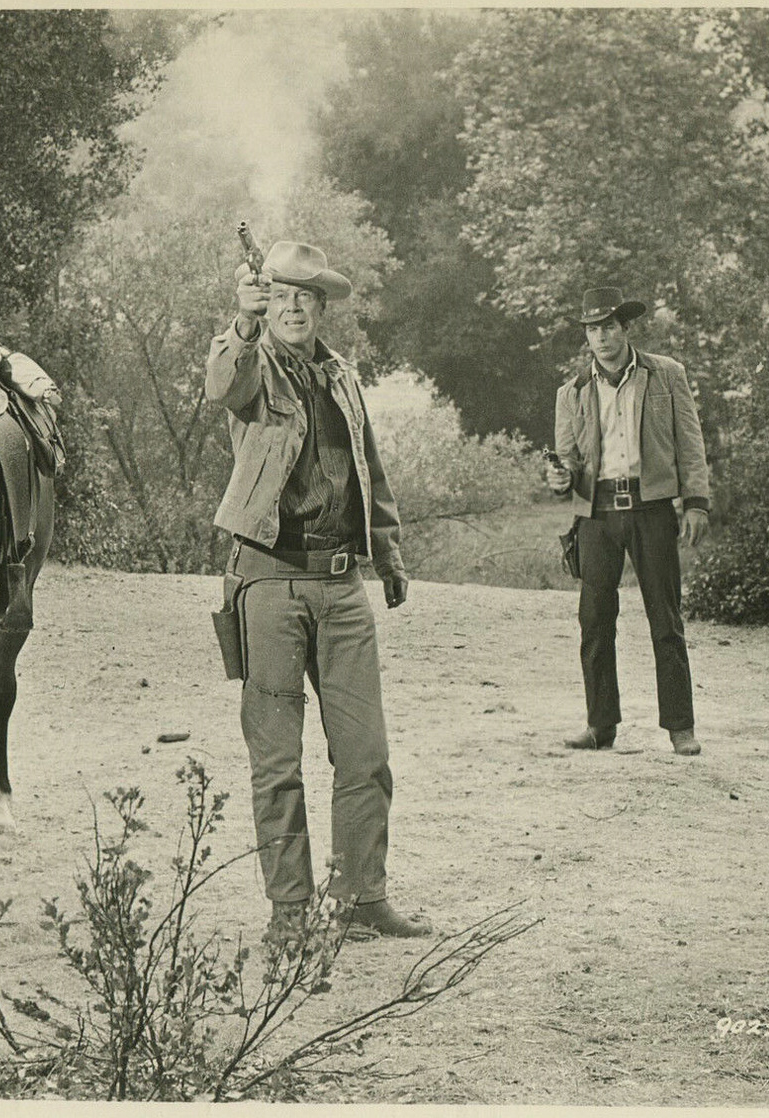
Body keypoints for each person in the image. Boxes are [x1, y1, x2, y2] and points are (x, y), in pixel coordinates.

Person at [204, 240, 431, 940]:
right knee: (277, 762)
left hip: (341, 589)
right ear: (263, 300)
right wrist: (242, 325)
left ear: (323, 305)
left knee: (365, 755)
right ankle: (290, 910)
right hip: (269, 586)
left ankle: (362, 897)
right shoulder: (248, 363)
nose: (294, 305)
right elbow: (221, 385)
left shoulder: (341, 377)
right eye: (280, 293)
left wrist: (387, 554)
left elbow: (371, 469)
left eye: (306, 294)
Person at [545, 287, 711, 756]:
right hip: (596, 514)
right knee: (595, 622)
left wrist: (697, 503)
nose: (601, 338)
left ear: (625, 329)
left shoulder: (665, 375)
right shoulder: (572, 391)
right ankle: (601, 726)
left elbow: (691, 444)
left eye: (609, 327)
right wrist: (559, 477)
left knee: (666, 618)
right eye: (592, 330)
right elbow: (567, 462)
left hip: (651, 509)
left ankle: (680, 727)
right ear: (587, 336)